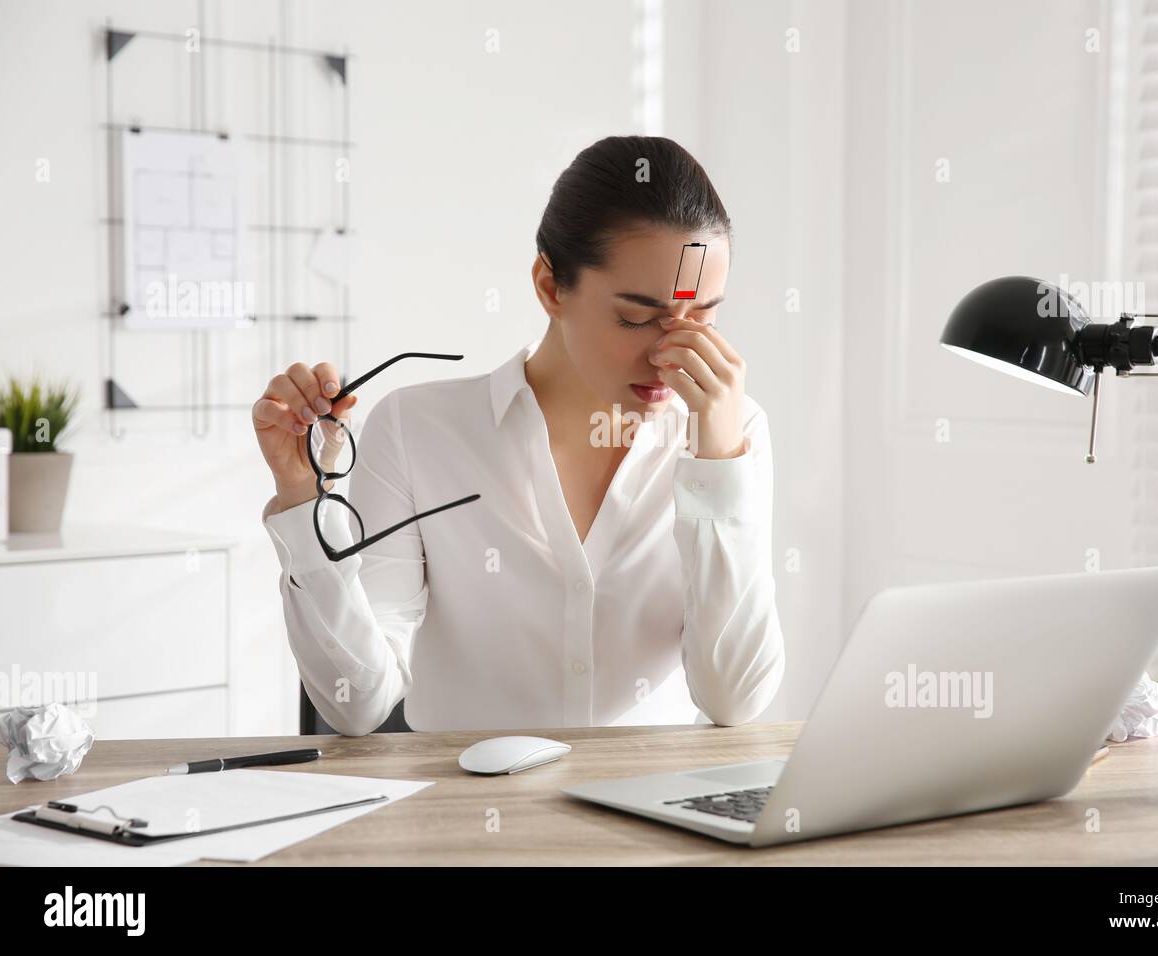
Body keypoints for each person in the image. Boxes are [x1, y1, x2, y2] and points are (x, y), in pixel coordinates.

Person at [251, 135, 784, 735]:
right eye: (637, 318)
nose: (673, 354)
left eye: (705, 316)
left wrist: (719, 464)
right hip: (461, 811)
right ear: (551, 287)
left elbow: (733, 700)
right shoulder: (415, 430)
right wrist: (301, 496)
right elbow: (357, 703)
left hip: (652, 811)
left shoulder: (733, 434)